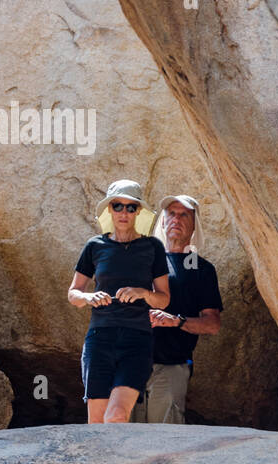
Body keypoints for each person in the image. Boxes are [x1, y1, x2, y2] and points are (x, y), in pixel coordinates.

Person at [68, 180, 169, 424]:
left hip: (137, 339)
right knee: (97, 421)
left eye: (130, 207)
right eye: (118, 206)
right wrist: (89, 297)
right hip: (100, 338)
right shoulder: (95, 246)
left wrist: (143, 293)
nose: (124, 213)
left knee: (116, 416)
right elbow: (74, 293)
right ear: (109, 210)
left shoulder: (152, 247)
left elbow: (164, 299)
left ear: (138, 211)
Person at [131, 194, 223, 425]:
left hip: (171, 364)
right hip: (129, 361)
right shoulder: (142, 260)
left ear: (195, 224)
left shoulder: (202, 270)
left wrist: (176, 321)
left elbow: (212, 324)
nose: (176, 219)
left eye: (184, 215)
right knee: (124, 433)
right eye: (171, 213)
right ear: (162, 221)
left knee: (164, 436)